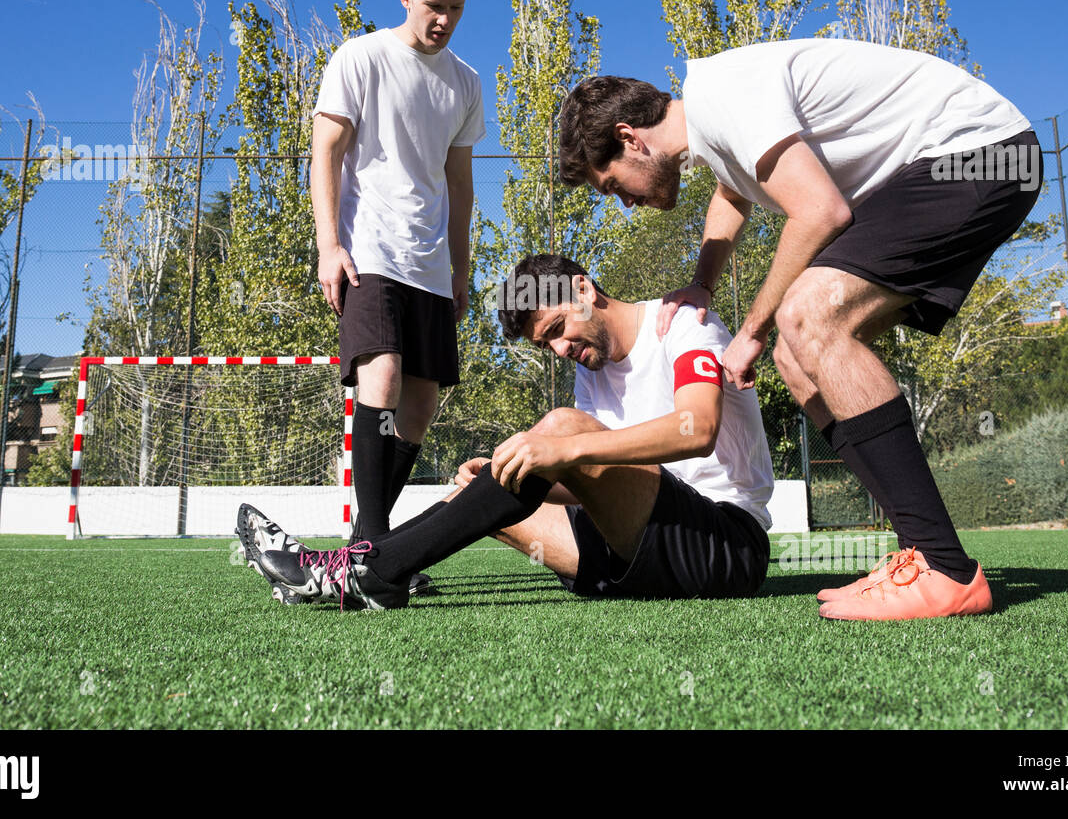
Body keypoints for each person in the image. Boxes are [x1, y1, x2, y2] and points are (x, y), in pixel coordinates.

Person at [555, 38, 1043, 621]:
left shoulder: (723, 91)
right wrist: (703, 284)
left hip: (978, 153)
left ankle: (945, 568)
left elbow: (821, 212)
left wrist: (753, 327)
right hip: (947, 167)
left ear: (631, 139)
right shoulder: (715, 129)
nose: (625, 203)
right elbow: (732, 196)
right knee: (797, 357)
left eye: (612, 185)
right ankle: (920, 553)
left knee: (807, 317)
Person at [236, 254, 774, 610]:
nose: (561, 350)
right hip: (635, 550)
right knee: (490, 481)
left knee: (560, 429)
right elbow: (597, 477)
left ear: (584, 290)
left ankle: (361, 571)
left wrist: (562, 445)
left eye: (559, 329)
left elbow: (696, 428)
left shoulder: (682, 324)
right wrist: (518, 471)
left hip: (723, 545)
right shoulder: (591, 374)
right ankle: (372, 567)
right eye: (547, 346)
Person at [308, 0, 485, 595]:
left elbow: (460, 187)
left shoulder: (466, 83)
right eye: (435, 5)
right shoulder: (361, 57)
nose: (444, 19)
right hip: (369, 250)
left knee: (421, 401)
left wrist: (460, 269)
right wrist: (330, 246)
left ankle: (373, 549)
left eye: (457, 10)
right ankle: (376, 552)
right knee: (379, 374)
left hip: (429, 265)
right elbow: (324, 151)